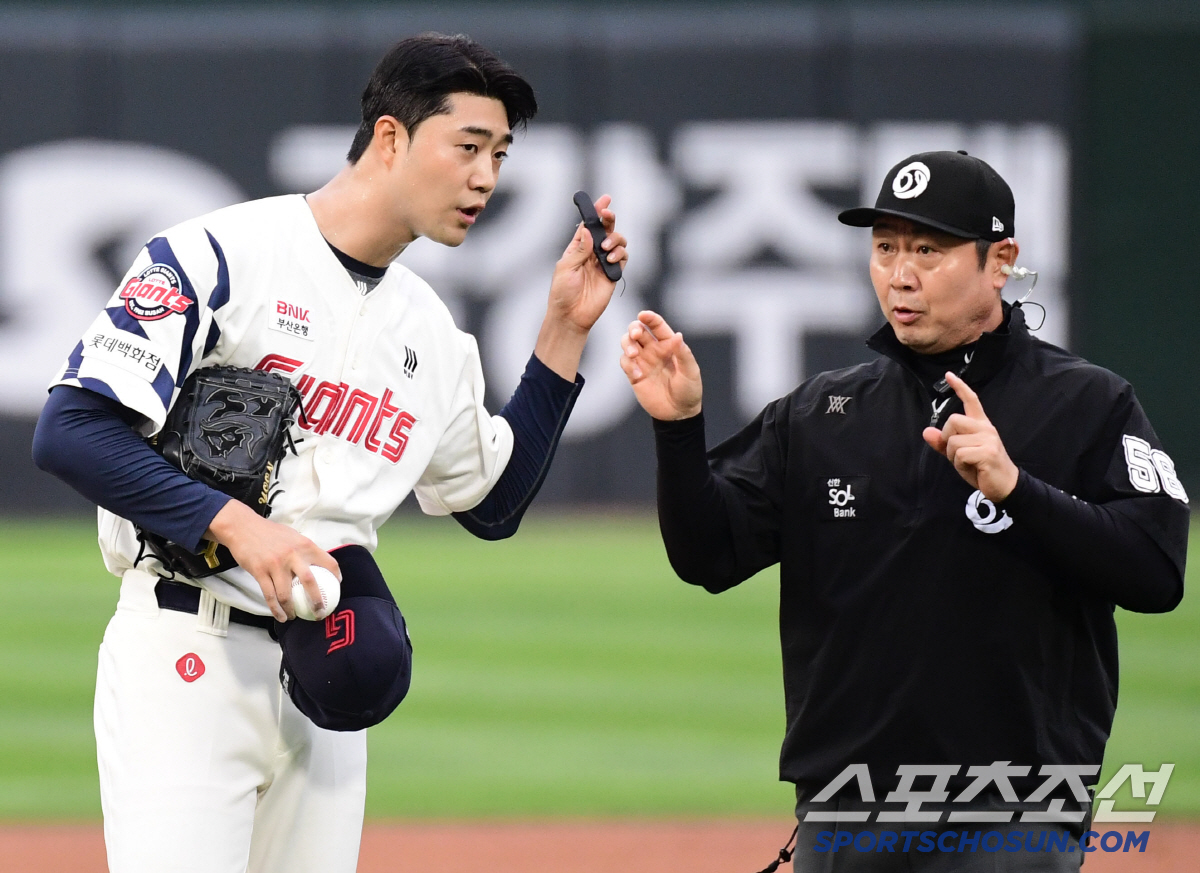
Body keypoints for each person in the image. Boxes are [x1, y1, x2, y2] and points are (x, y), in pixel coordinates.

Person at [32, 33, 627, 873]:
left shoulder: (430, 332)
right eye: (467, 147)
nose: (487, 178)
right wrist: (237, 524)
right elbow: (72, 428)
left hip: (328, 682)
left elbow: (491, 503)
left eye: (499, 153)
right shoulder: (220, 257)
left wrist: (564, 327)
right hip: (186, 655)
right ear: (391, 137)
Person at [619, 150, 1188, 871]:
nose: (901, 272)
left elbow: (1156, 570)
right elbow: (709, 556)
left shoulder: (1088, 403)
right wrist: (679, 429)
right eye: (884, 247)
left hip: (1010, 814)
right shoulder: (824, 411)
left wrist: (1018, 488)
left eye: (929, 248)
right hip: (846, 812)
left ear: (999, 260)